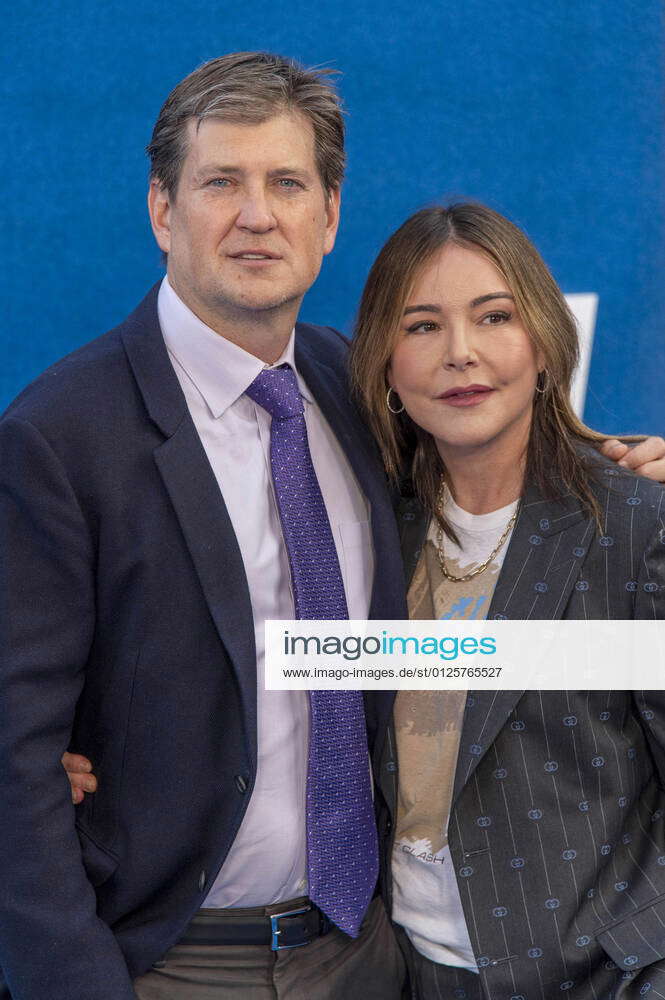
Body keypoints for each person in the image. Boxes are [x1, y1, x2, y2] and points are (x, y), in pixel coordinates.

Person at [0, 52, 407, 1000]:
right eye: (221, 182)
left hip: (367, 953)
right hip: (171, 965)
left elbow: (495, 480)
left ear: (329, 216)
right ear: (162, 210)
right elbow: (13, 757)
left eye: (286, 184)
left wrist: (613, 462)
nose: (257, 215)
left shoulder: (363, 390)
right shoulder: (59, 437)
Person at [348, 201, 665, 999]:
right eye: (421, 326)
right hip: (398, 971)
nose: (460, 352)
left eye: (494, 316)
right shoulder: (367, 527)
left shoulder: (633, 523)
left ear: (544, 345)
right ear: (385, 365)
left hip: (600, 979)